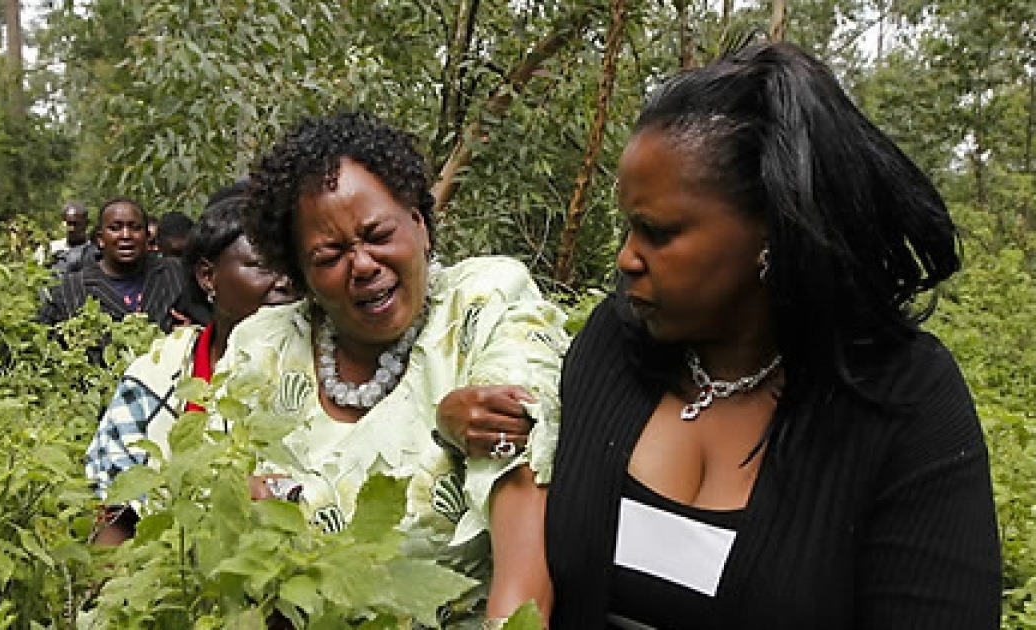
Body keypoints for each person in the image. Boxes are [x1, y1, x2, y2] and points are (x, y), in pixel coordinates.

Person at [525, 42, 997, 628]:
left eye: (658, 232)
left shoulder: (902, 399)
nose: (626, 258)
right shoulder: (612, 345)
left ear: (772, 230)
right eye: (628, 227)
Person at [214, 112, 567, 627]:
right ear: (301, 274)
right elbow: (212, 510)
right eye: (329, 254)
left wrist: (447, 426)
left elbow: (521, 480)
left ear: (420, 224)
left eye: (377, 234)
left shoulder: (484, 302)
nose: (362, 264)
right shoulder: (261, 347)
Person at [85, 188, 297, 544]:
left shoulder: (327, 371)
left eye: (295, 267)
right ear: (207, 277)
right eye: (264, 266)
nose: (286, 282)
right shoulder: (159, 373)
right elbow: (114, 511)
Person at [37, 196, 190, 334]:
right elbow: (42, 341)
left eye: (135, 228)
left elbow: (207, 323)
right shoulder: (70, 290)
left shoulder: (176, 274)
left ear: (147, 236)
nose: (126, 235)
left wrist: (190, 333)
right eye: (115, 228)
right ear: (100, 239)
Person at [42, 202, 99, 275]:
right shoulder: (51, 249)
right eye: (69, 223)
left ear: (86, 224)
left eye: (76, 224)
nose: (72, 228)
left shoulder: (95, 251)